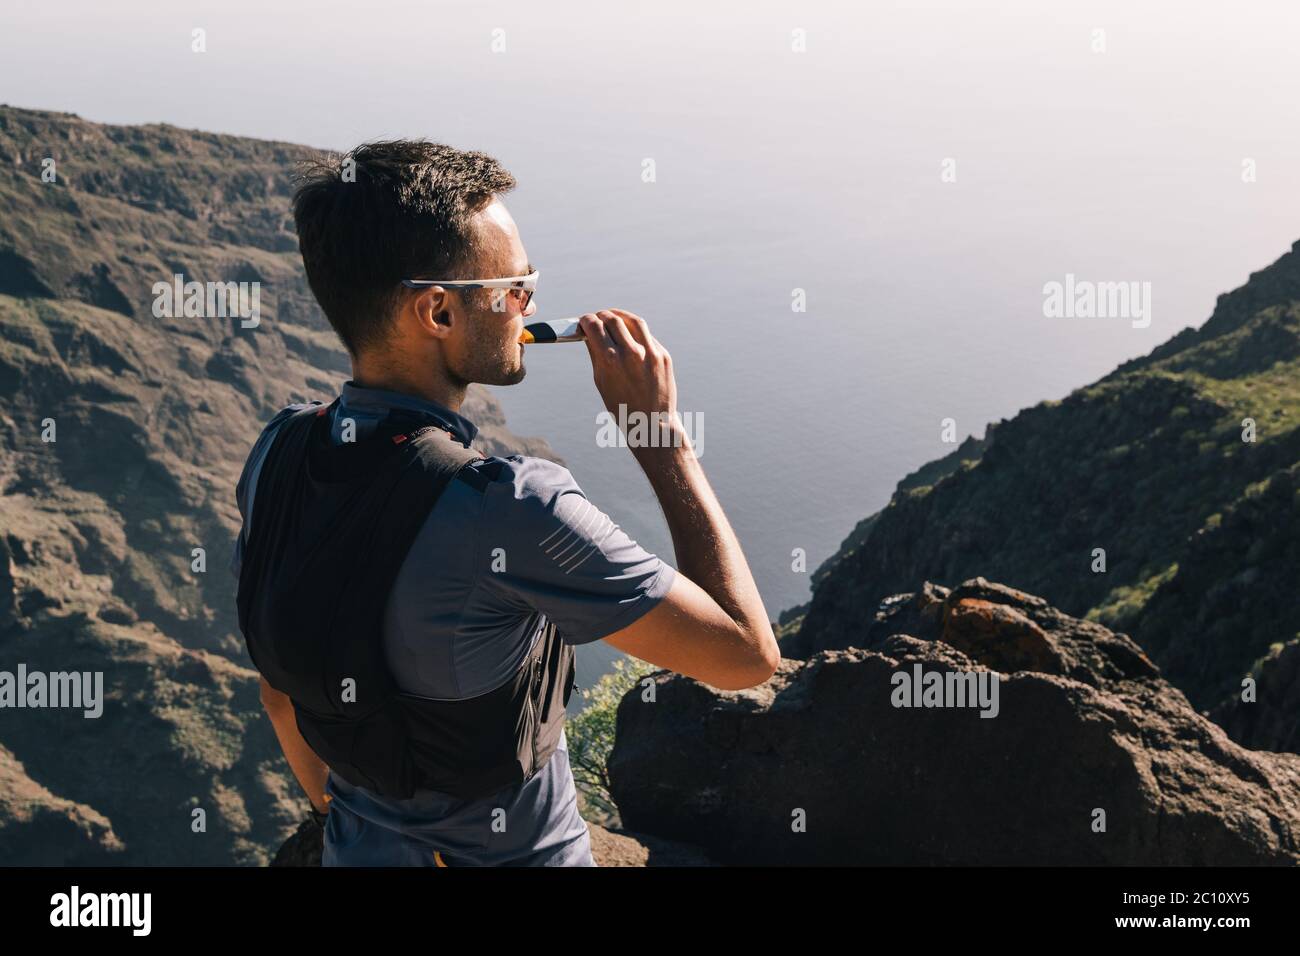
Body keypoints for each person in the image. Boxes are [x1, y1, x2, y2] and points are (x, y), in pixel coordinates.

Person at [231, 140, 779, 866]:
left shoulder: (279, 451)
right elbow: (745, 656)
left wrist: (341, 813)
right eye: (513, 287)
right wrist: (660, 436)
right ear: (436, 311)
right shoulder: (512, 506)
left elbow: (280, 692)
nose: (529, 304)